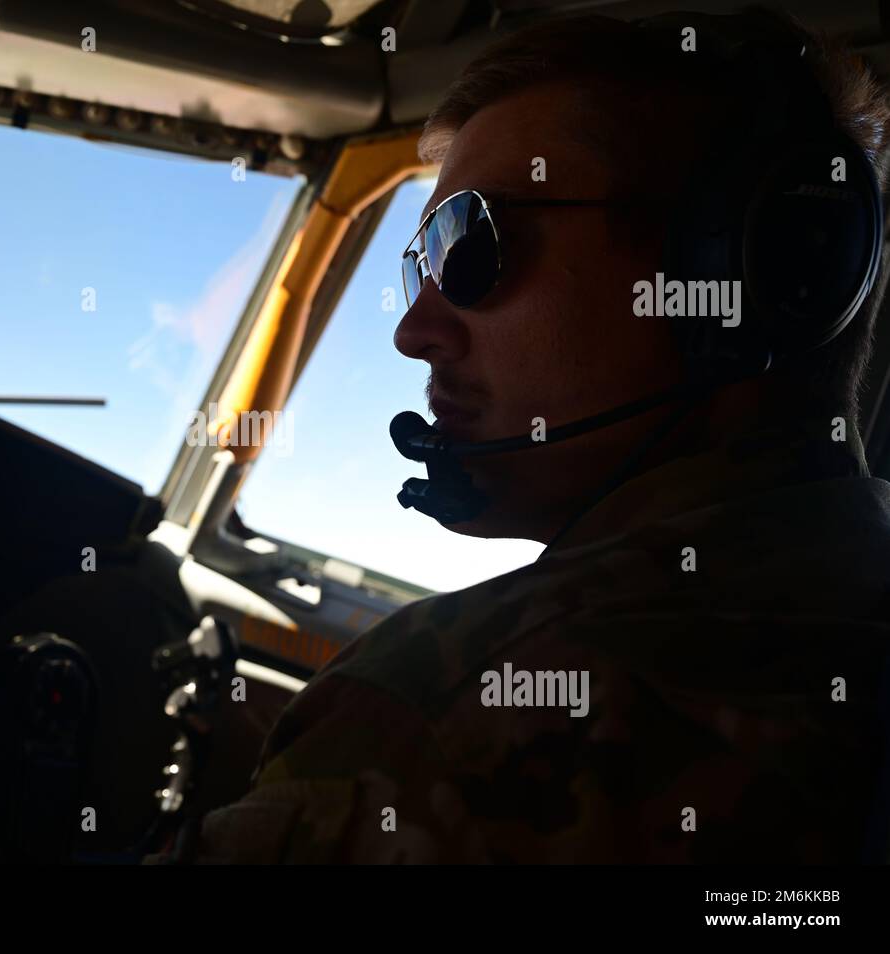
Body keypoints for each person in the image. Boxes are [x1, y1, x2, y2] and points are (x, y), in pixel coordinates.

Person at [170, 9, 890, 863]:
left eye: (470, 241)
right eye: (420, 265)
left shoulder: (443, 708)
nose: (415, 329)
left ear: (735, 269)